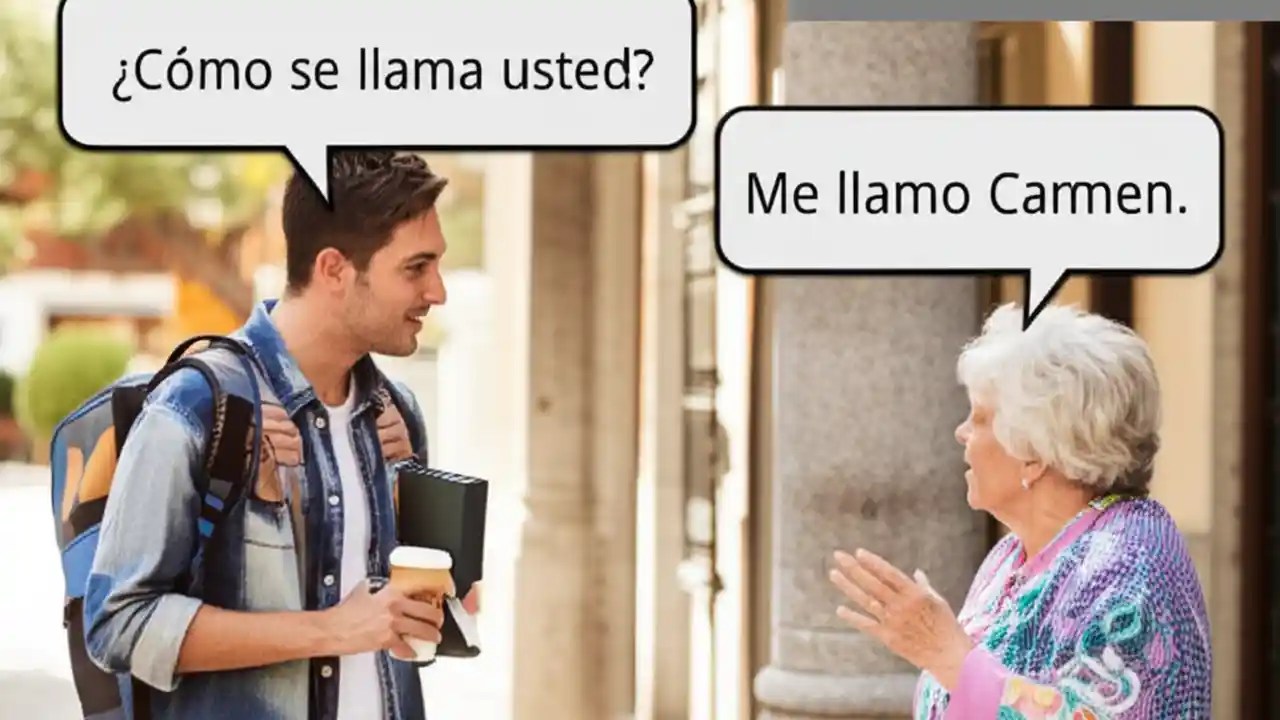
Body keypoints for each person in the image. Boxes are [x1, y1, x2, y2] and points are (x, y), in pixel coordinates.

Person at [83, 151, 478, 720]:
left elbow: (407, 626)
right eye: (416, 268)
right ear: (335, 269)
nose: (437, 291)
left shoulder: (396, 416)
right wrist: (328, 631)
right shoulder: (198, 410)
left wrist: (445, 595)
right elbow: (118, 624)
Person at [828, 303, 1212, 719]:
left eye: (979, 418)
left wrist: (946, 652)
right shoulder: (1012, 556)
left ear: (1033, 450)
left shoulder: (1133, 563)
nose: (962, 433)